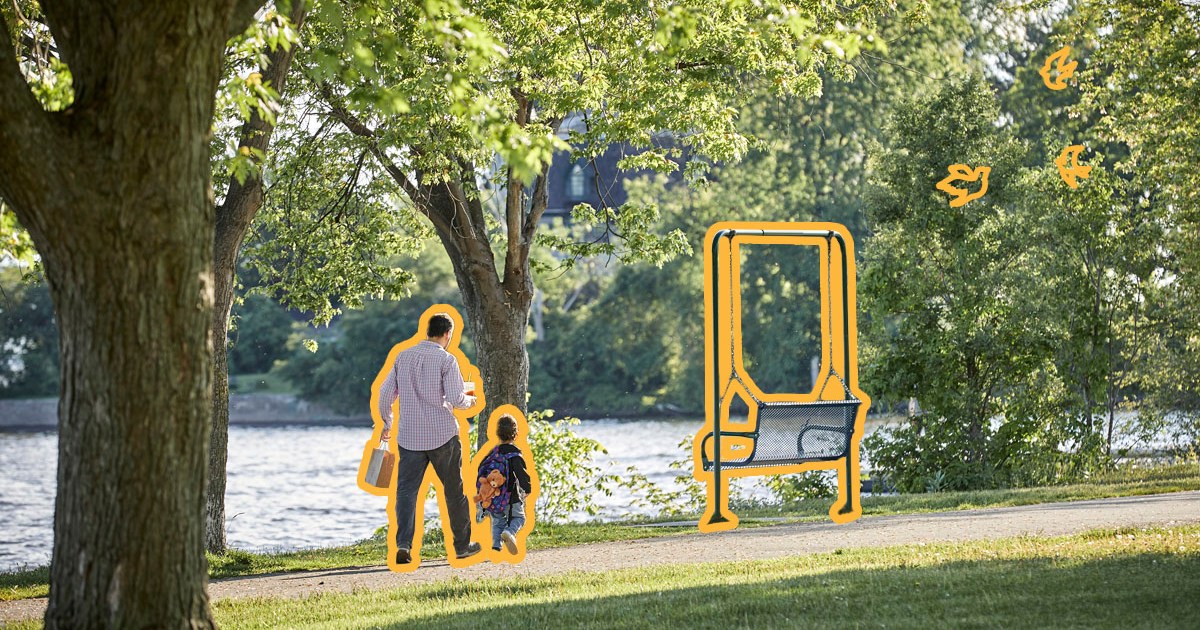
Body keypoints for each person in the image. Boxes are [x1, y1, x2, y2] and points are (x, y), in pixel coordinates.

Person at [378, 312, 481, 564]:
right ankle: (461, 547)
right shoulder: (447, 360)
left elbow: (384, 394)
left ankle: (403, 545)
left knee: (406, 492)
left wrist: (387, 423)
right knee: (454, 491)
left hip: (409, 437)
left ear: (428, 331)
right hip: (442, 435)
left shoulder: (402, 356)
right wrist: (472, 401)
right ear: (448, 334)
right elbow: (456, 398)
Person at [479, 414, 533, 554]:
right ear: (515, 434)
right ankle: (509, 532)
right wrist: (527, 488)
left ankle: (496, 546)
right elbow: (521, 474)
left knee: (498, 521)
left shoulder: (492, 454)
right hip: (511, 496)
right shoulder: (514, 454)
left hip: (493, 496)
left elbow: (481, 470)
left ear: (498, 433)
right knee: (519, 518)